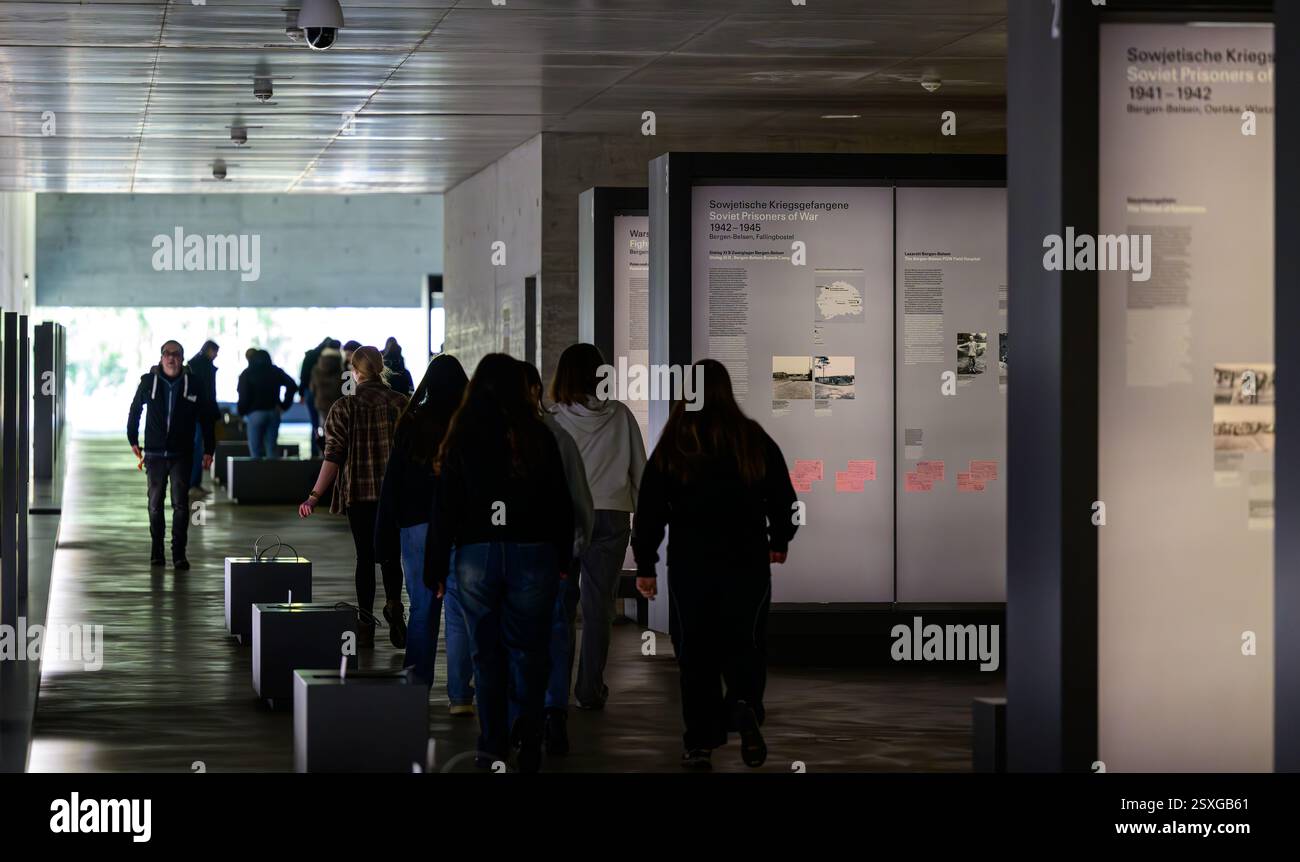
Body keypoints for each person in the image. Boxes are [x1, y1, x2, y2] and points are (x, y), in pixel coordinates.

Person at [632, 359, 798, 771]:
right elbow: (784, 499)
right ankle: (743, 704)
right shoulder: (752, 438)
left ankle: (700, 744)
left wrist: (647, 564)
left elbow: (650, 508)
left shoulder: (675, 442)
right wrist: (779, 539)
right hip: (747, 564)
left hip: (692, 567)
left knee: (696, 655)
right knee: (747, 644)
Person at [424, 353, 574, 772]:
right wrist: (563, 555)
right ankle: (528, 728)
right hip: (533, 551)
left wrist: (435, 567)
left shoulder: (462, 433)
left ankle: (492, 743)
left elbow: (446, 506)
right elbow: (559, 501)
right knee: (530, 648)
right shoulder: (538, 435)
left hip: (476, 553)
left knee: (486, 653)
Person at [548, 343, 646, 711]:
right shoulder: (620, 415)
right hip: (611, 516)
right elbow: (640, 473)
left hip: (565, 517)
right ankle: (590, 688)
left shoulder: (553, 419)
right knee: (598, 606)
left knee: (560, 605)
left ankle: (556, 689)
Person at [374, 354, 473, 710]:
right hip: (463, 524)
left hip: (416, 523)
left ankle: (415, 688)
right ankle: (461, 695)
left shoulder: (412, 420)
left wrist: (384, 532)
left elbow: (393, 481)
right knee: (460, 610)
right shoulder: (469, 422)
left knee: (422, 607)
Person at [299, 346, 409, 648]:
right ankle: (394, 605)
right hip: (392, 494)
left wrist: (313, 496)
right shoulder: (401, 404)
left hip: (358, 494)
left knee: (364, 556)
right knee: (390, 556)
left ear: (355, 371)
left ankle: (364, 621)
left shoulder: (343, 408)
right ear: (380, 368)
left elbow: (333, 458)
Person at [522, 361, 594, 754]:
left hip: (500, 552)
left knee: (510, 634)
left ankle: (519, 716)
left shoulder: (483, 435)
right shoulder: (556, 435)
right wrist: (577, 543)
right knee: (555, 627)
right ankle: (554, 711)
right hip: (550, 551)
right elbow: (579, 498)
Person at [127, 340, 216, 570]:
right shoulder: (149, 382)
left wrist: (209, 449)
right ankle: (157, 551)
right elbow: (135, 409)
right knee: (155, 504)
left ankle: (179, 554)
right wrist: (133, 439)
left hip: (181, 454)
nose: (171, 358)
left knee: (181, 505)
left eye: (176, 354)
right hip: (155, 454)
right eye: (167, 353)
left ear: (182, 358)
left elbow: (206, 417)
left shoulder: (193, 384)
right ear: (161, 357)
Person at [237, 349, 298, 459]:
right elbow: (292, 385)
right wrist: (284, 405)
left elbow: (244, 395)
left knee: (255, 449)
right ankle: (272, 475)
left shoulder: (247, 373)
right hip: (274, 412)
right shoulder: (275, 371)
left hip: (255, 413)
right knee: (271, 447)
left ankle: (257, 475)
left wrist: (242, 412)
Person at [186, 340, 220, 496]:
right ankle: (193, 484)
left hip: (198, 413)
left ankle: (194, 484)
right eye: (215, 352)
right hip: (200, 413)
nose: (216, 355)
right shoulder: (201, 367)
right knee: (196, 449)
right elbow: (206, 393)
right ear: (209, 350)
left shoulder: (195, 365)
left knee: (197, 449)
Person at [299, 337, 333, 458]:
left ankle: (314, 451)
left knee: (314, 424)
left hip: (310, 392)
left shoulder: (310, 356)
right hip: (328, 395)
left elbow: (303, 376)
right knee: (328, 423)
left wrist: (301, 393)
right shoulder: (335, 359)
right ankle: (326, 451)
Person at [311, 343, 345, 450]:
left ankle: (324, 458)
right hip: (338, 405)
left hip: (322, 404)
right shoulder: (342, 369)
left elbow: (312, 388)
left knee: (324, 432)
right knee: (339, 434)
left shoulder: (316, 369)